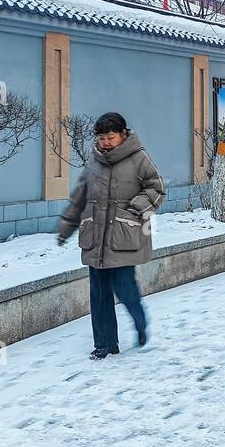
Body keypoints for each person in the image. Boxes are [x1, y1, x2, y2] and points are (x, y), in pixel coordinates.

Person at [57, 112, 166, 360]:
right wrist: (67, 225)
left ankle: (140, 322)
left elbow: (156, 187)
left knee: (125, 290)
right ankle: (105, 344)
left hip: (123, 237)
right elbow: (80, 197)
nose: (105, 142)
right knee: (99, 294)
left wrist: (136, 209)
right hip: (95, 238)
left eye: (111, 137)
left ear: (123, 134)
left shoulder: (138, 158)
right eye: (102, 137)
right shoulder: (94, 162)